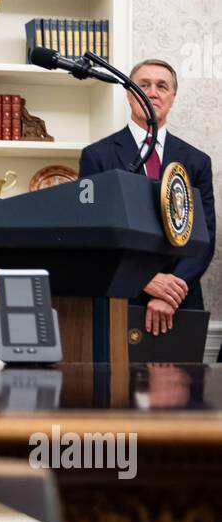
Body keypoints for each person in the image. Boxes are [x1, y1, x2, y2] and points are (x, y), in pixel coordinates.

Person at [79, 59, 216, 335]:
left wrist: (171, 290)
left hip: (181, 302)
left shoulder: (197, 162)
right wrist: (144, 280)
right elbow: (90, 232)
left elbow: (206, 237)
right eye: (143, 85)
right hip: (120, 300)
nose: (152, 92)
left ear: (172, 98)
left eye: (161, 86)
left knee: (183, 380)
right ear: (129, 94)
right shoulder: (97, 156)